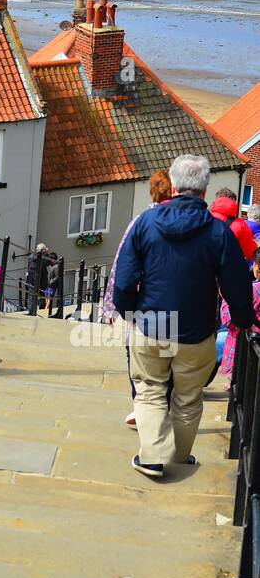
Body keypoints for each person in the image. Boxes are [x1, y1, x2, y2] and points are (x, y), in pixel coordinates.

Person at [113, 154, 253, 478]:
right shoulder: (219, 233)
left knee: (149, 388)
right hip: (196, 330)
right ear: (204, 191)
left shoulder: (145, 223)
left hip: (151, 325)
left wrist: (133, 313)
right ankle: (179, 456)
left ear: (173, 186)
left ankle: (152, 457)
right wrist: (243, 321)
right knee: (188, 398)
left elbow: (123, 281)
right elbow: (238, 287)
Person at [103, 169, 172, 426]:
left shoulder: (142, 222)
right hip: (179, 307)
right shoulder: (192, 221)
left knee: (139, 357)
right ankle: (159, 408)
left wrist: (115, 307)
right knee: (167, 360)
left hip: (146, 306)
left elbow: (122, 266)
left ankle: (143, 407)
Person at [219, 245, 260, 383]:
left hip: (242, 357)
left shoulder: (251, 290)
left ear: (256, 266)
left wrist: (226, 297)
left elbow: (228, 319)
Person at [209, 186, 257, 260]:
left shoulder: (203, 217)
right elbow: (252, 253)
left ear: (216, 200)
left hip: (199, 266)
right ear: (233, 202)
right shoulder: (240, 224)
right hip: (225, 268)